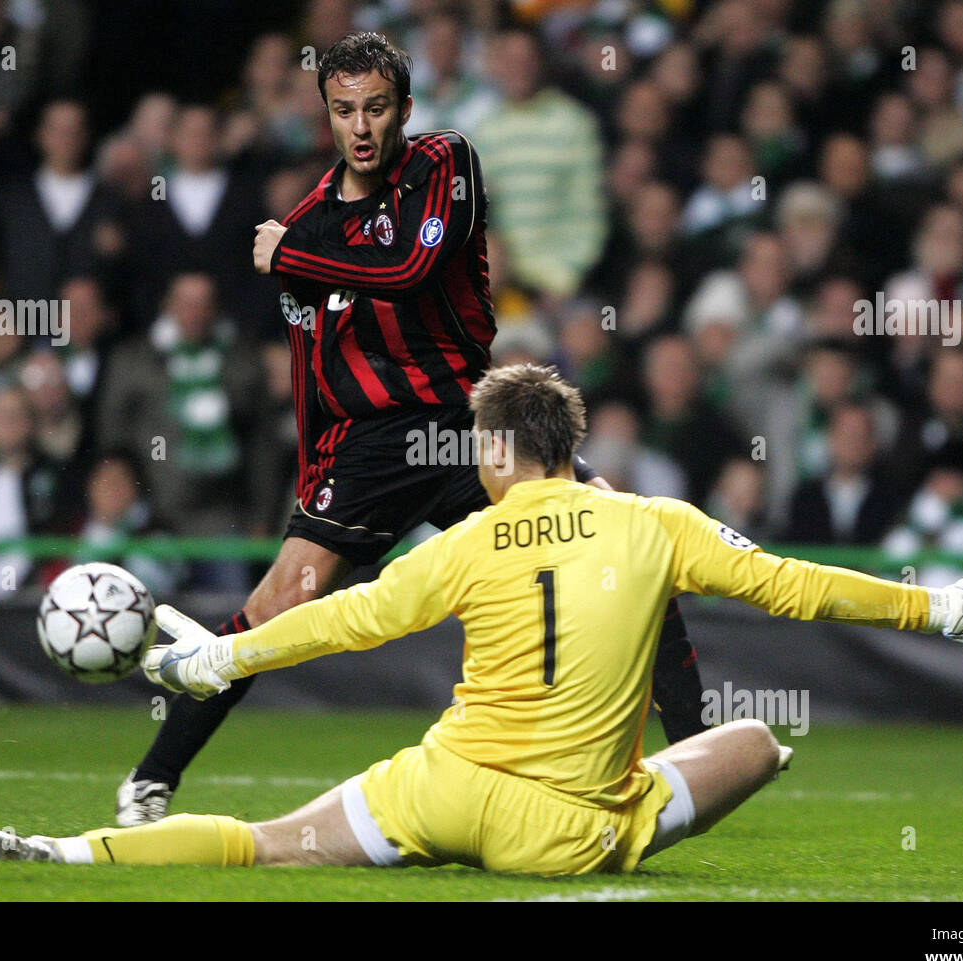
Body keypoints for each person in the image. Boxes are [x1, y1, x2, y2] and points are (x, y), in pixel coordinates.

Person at [0, 365, 963, 875]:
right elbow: (804, 585)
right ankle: (630, 812)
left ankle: (68, 850)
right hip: (559, 833)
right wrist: (950, 603)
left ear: (505, 452)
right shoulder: (659, 523)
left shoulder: (466, 540)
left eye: (478, 445)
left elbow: (348, 619)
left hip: (441, 784)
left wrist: (218, 652)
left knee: (269, 844)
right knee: (755, 742)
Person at [113, 31, 707, 827]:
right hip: (367, 448)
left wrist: (297, 258)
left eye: (377, 108)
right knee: (278, 604)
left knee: (627, 542)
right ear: (326, 114)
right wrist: (314, 475)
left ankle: (701, 746)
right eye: (344, 110)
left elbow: (410, 271)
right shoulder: (311, 220)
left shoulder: (443, 163)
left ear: (405, 110)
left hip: (474, 428)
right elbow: (309, 364)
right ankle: (152, 780)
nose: (361, 126)